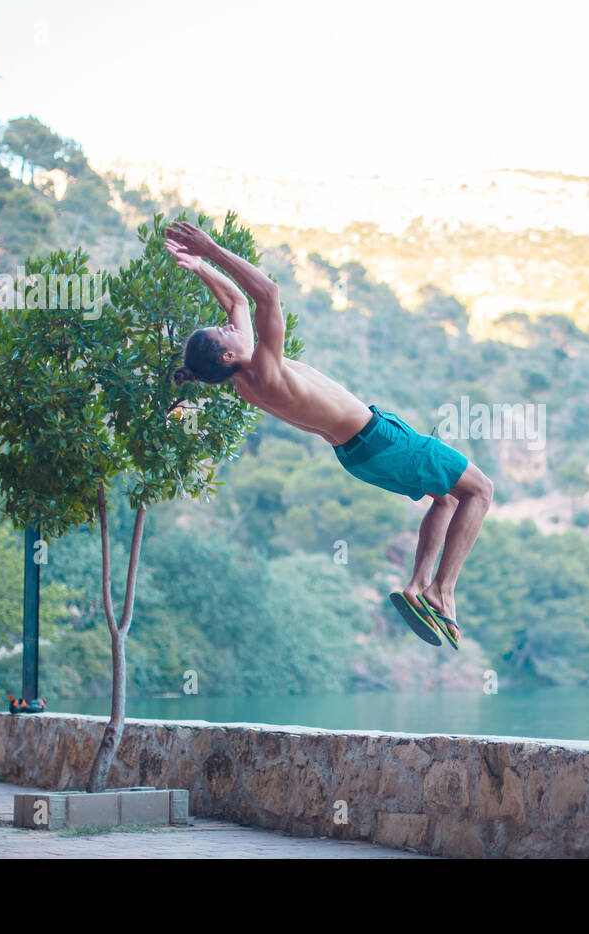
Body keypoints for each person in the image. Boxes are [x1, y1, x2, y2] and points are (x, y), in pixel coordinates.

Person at [165, 220, 492, 649]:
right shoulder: (264, 370)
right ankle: (442, 590)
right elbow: (266, 294)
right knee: (480, 491)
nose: (227, 325)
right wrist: (211, 248)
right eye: (223, 331)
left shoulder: (246, 379)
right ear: (228, 353)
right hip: (381, 442)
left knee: (446, 497)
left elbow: (237, 300)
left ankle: (418, 585)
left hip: (360, 453)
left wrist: (201, 267)